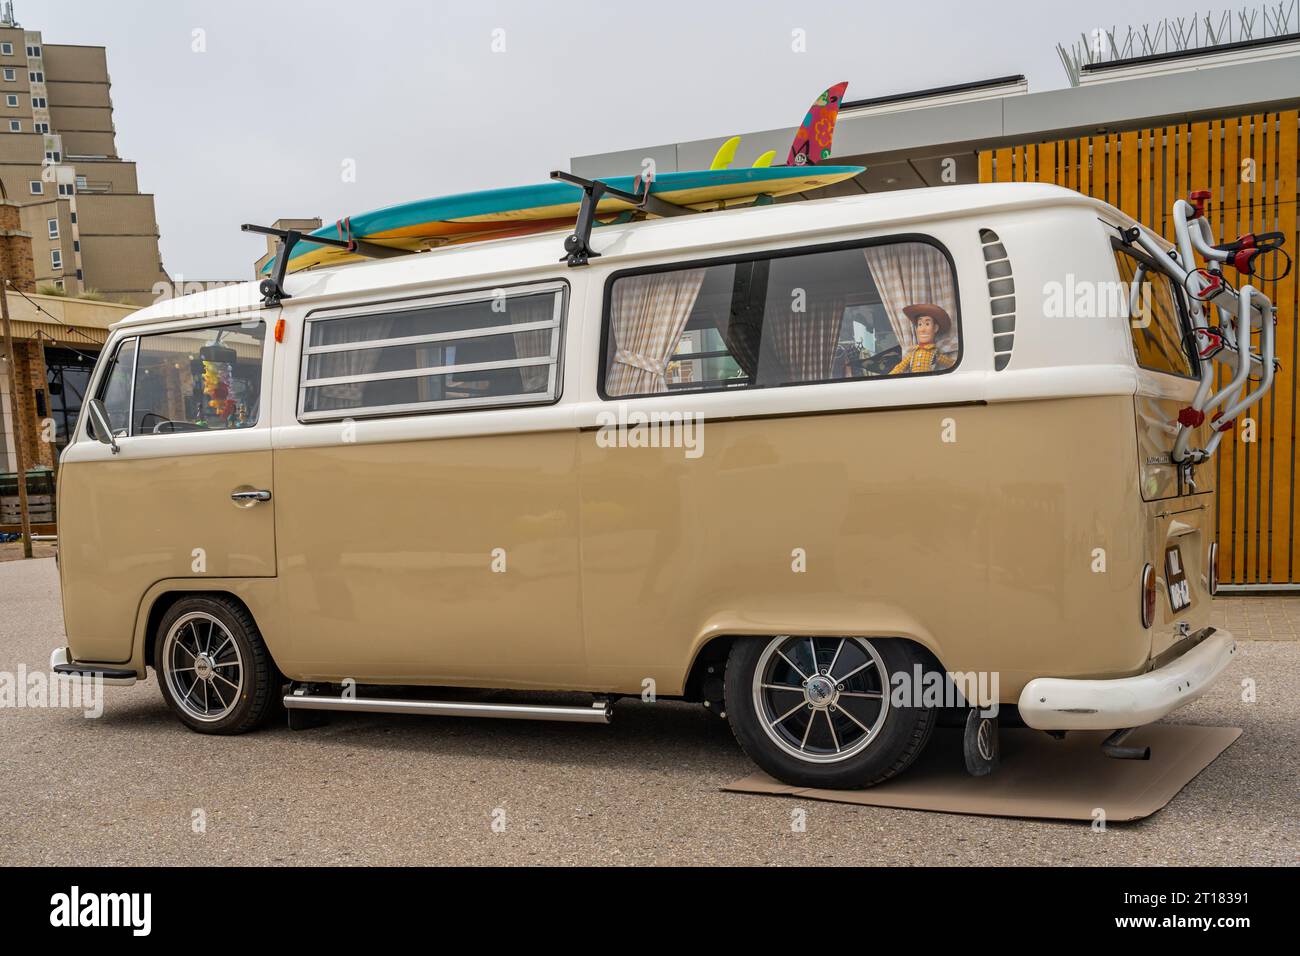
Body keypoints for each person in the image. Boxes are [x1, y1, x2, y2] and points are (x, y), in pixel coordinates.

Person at [889, 303, 955, 374]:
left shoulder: (935, 354)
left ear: (935, 328)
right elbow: (900, 367)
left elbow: (951, 364)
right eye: (920, 324)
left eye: (927, 324)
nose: (922, 330)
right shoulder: (913, 353)